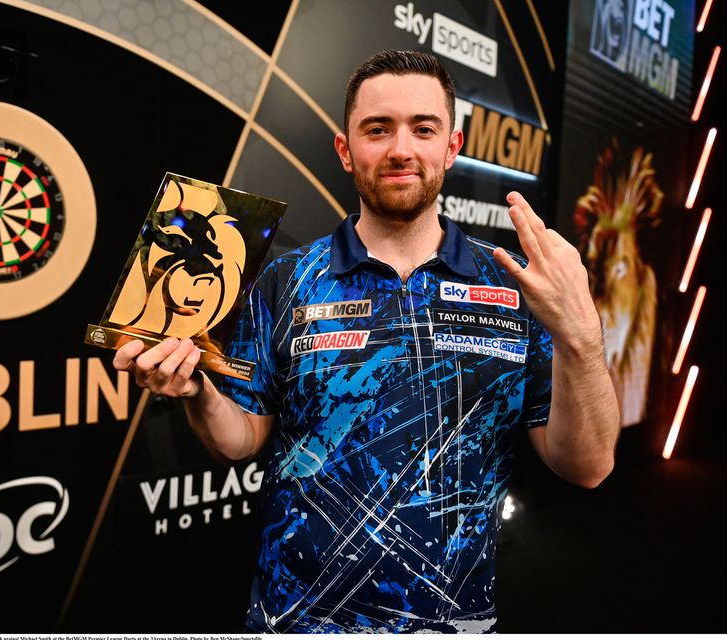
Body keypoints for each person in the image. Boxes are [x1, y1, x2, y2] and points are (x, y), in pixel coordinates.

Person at [113, 50, 620, 633]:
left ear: (451, 147)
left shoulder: (513, 284)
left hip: (455, 624)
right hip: (298, 620)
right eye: (377, 129)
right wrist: (197, 391)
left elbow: (588, 467)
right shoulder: (284, 281)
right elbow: (242, 440)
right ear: (346, 150)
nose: (401, 149)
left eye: (422, 128)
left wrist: (581, 335)